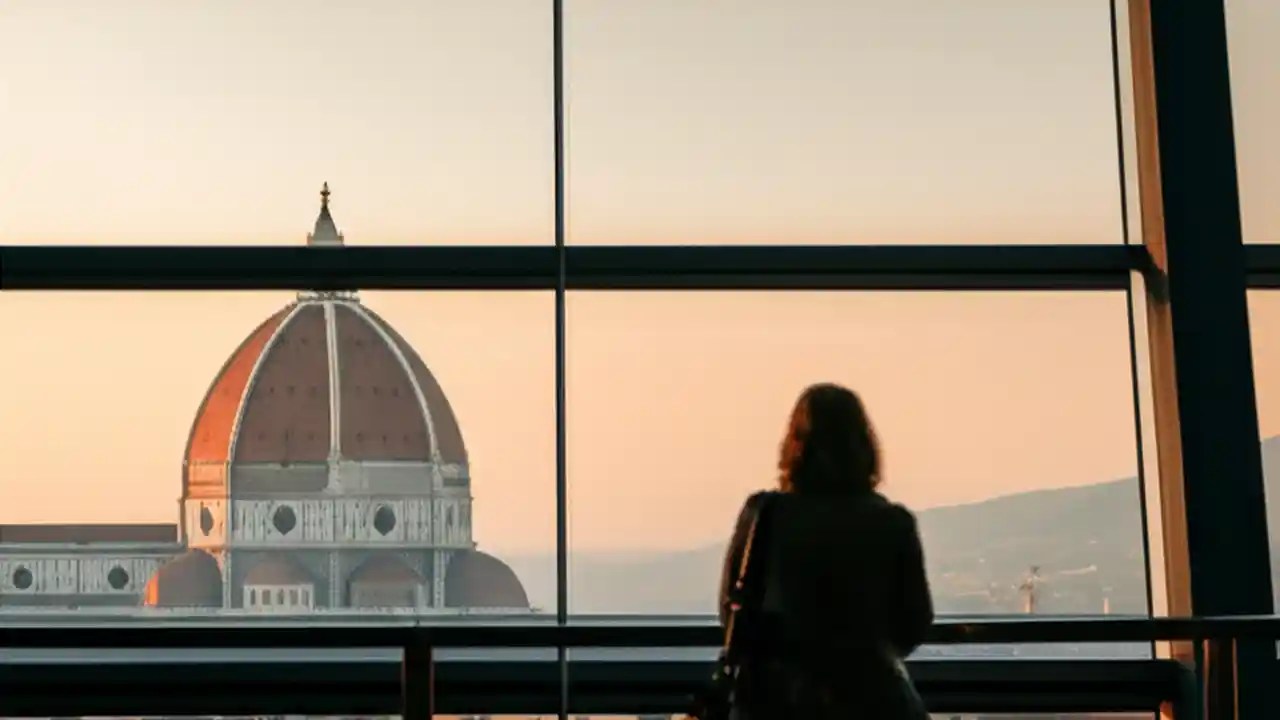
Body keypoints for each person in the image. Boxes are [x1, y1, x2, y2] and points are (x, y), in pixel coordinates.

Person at [719, 383, 934, 719]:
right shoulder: (892, 524)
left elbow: (733, 612)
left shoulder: (766, 516)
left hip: (773, 703)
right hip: (871, 700)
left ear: (795, 444)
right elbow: (914, 622)